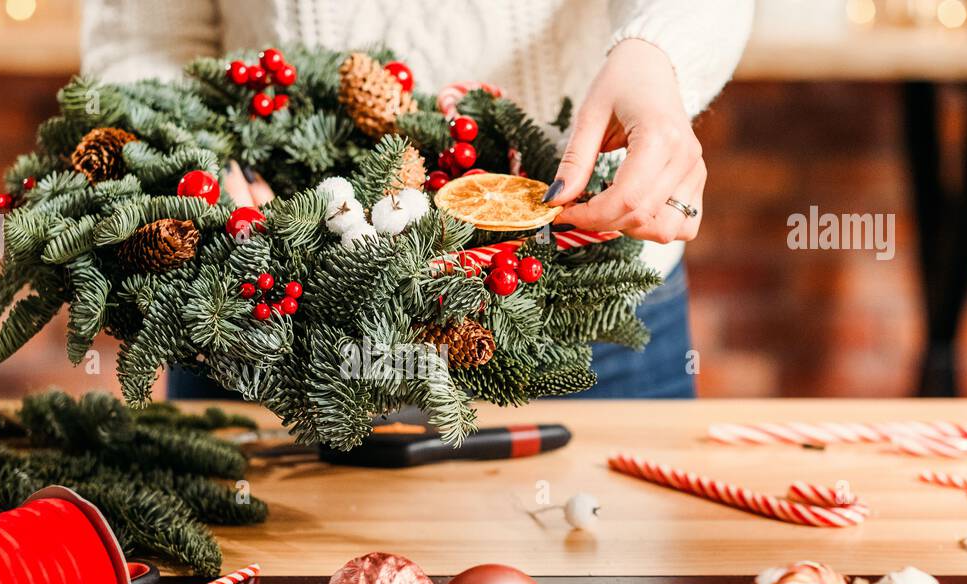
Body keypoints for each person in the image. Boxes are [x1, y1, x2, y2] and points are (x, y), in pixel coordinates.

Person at [81, 0, 754, 399]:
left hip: (589, 309)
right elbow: (145, 33)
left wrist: (657, 55)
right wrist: (187, 156)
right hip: (272, 307)